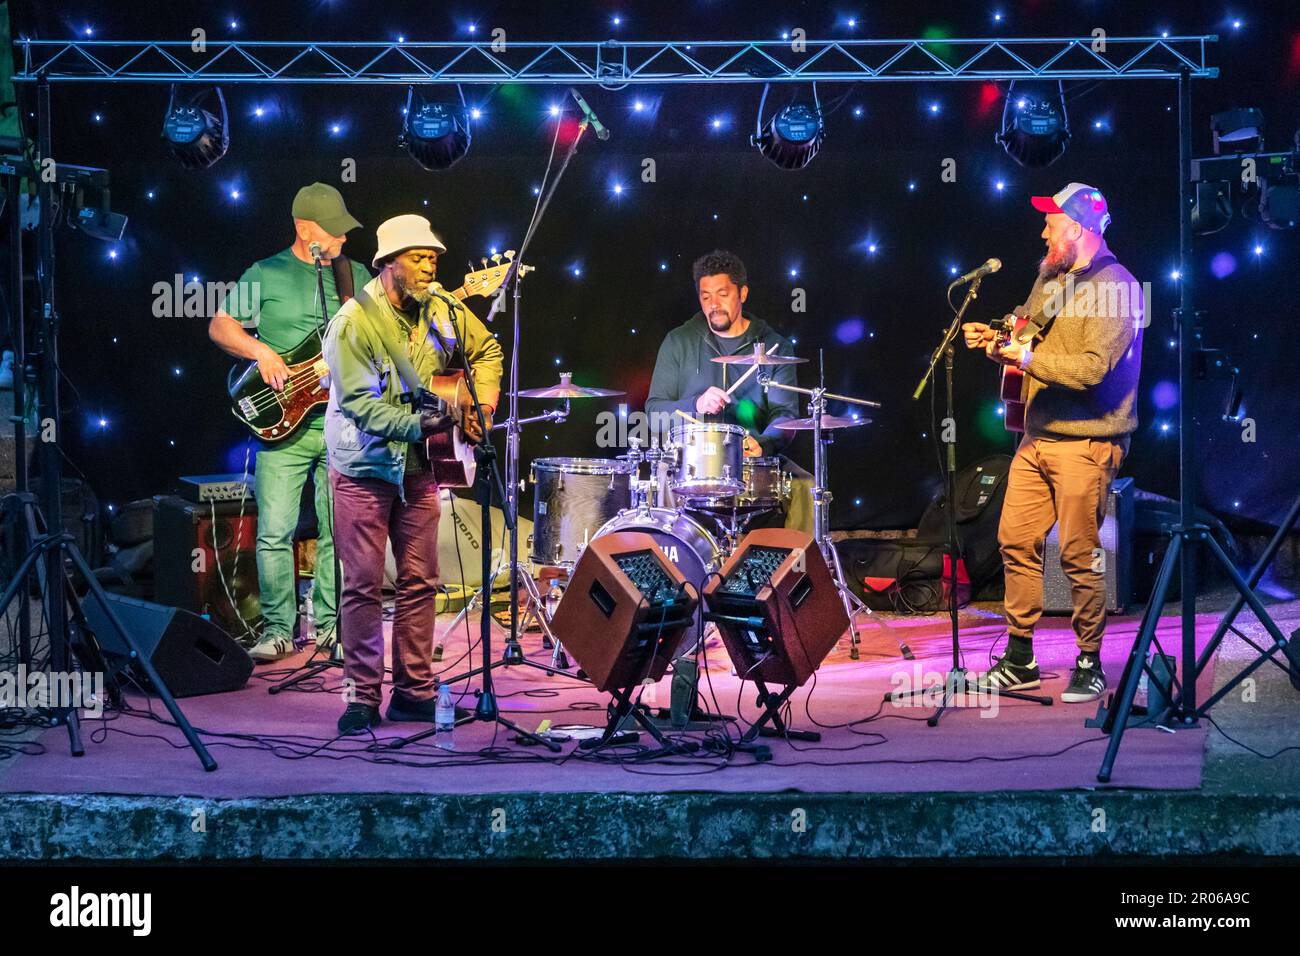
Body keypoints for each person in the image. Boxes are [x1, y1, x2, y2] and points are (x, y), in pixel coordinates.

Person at [962, 183, 1144, 703]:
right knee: (1014, 541)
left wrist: (1025, 359)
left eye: (1052, 221)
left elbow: (1090, 370)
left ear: (1080, 227)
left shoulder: (1118, 287)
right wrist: (997, 339)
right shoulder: (1052, 275)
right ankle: (1021, 658)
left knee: (1079, 554)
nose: (1043, 230)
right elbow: (1027, 332)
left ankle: (1089, 661)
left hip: (1086, 442)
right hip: (1036, 436)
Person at [322, 214, 502, 736]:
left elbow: (487, 349)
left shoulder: (444, 309)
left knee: (421, 582)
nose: (430, 266)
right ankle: (360, 698)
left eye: (434, 258)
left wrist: (482, 406)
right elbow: (359, 405)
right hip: (363, 467)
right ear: (388, 263)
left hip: (423, 467)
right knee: (361, 587)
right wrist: (422, 422)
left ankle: (414, 694)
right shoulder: (354, 323)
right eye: (418, 258)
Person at [210, 183, 369, 661]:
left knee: (336, 532)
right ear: (304, 230)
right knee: (274, 531)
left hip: (341, 425)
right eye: (333, 230)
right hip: (282, 422)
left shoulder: (354, 274)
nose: (343, 238)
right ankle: (279, 629)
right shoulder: (266, 273)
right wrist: (260, 350)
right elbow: (220, 325)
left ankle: (329, 628)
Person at [646, 249, 808, 530]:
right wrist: (695, 404)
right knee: (662, 475)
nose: (713, 305)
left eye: (722, 294)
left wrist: (764, 443)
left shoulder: (775, 346)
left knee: (806, 485)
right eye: (706, 296)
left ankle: (795, 570)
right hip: (692, 463)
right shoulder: (678, 341)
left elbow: (786, 414)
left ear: (742, 293)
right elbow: (653, 412)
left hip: (752, 460)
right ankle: (675, 566)